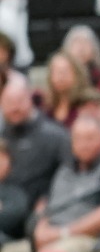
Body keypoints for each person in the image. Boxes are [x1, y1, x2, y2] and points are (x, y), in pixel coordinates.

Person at [3, 112, 100, 252]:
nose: (84, 145)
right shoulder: (64, 171)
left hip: (94, 241)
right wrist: (41, 228)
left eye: (90, 138)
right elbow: (47, 205)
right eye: (78, 139)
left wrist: (62, 233)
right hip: (51, 235)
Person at [1, 71, 70, 216]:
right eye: (8, 103)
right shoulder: (2, 136)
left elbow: (70, 173)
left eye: (19, 101)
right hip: (7, 209)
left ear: (30, 100)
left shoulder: (55, 135)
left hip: (44, 211)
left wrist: (49, 198)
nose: (14, 108)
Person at [39, 51, 98, 133]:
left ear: (77, 74)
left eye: (64, 71)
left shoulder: (88, 103)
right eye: (56, 71)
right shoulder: (46, 106)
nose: (60, 76)